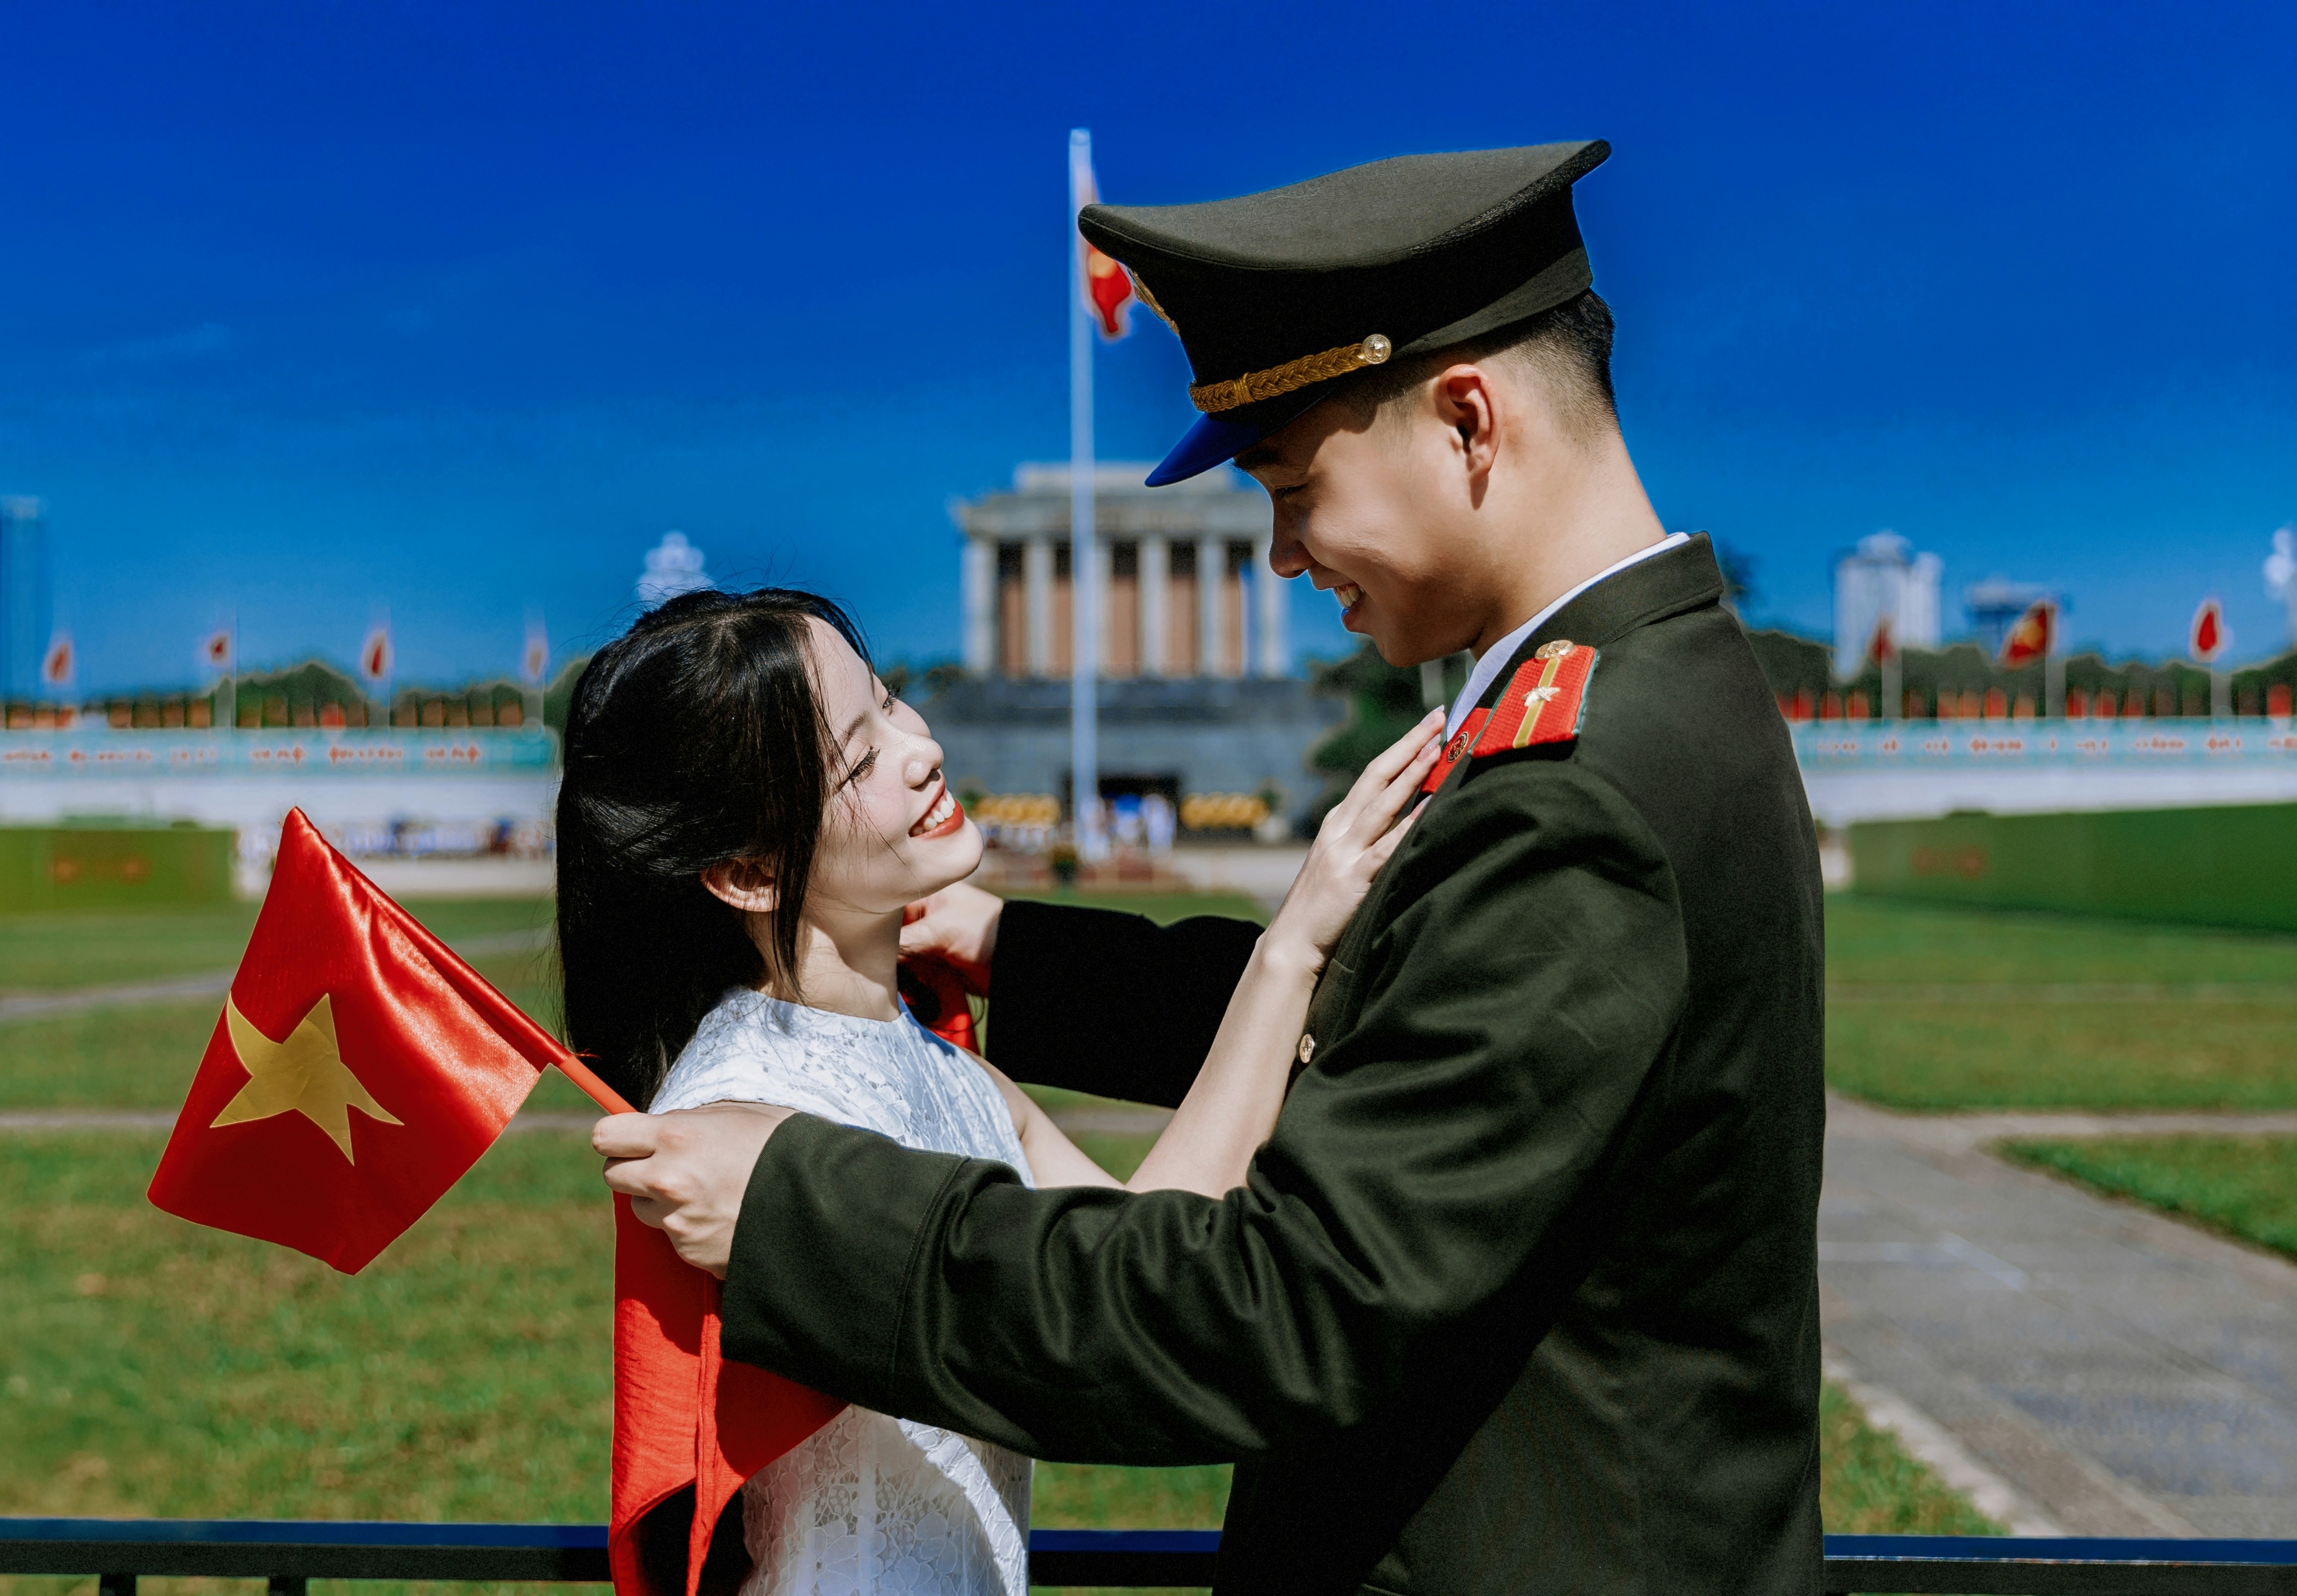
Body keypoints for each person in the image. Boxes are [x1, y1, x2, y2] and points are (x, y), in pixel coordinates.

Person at [596, 140, 1827, 1596]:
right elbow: (1413, 1041)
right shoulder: (1623, 700)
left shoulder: (1583, 785)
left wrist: (806, 1215)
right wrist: (1026, 957)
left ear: (1468, 423)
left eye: (1296, 487)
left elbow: (1282, 1307)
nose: (1281, 554)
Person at [554, 586, 1445, 1596]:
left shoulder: (940, 1063)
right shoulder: (740, 1116)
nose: (919, 749)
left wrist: (1291, 950)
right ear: (751, 871)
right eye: (859, 757)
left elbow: (1155, 1249)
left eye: (888, 701)